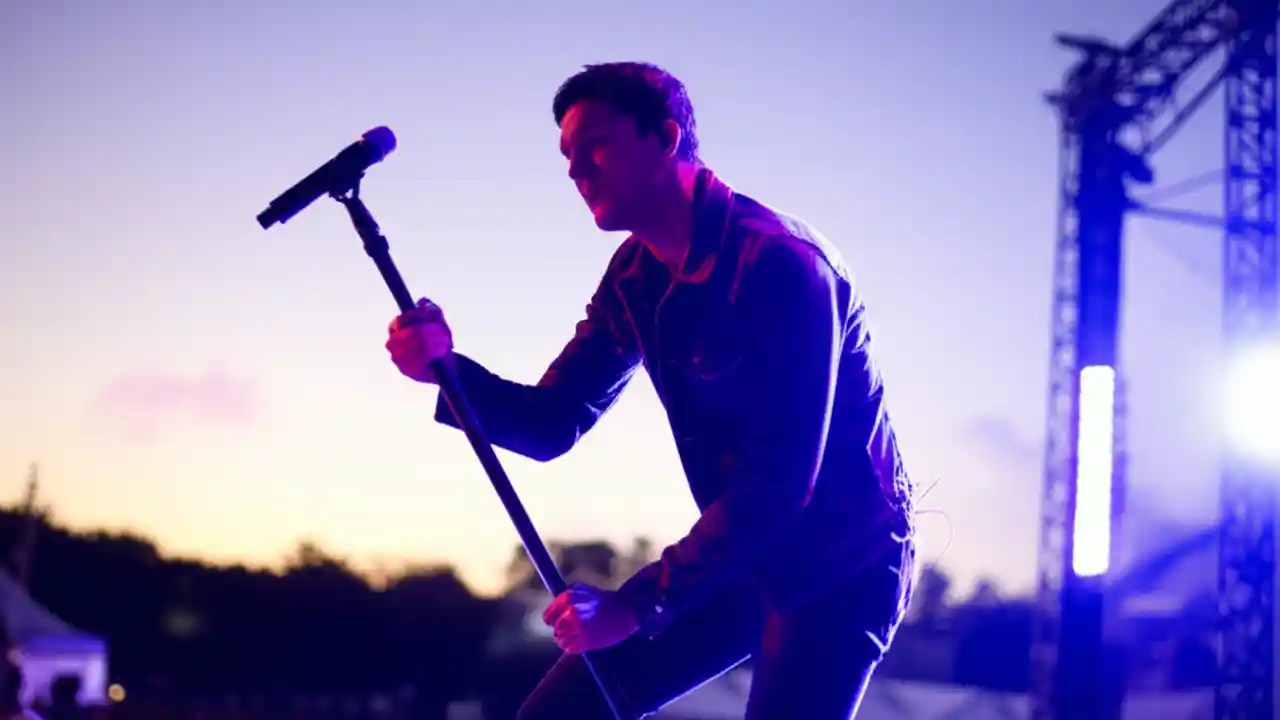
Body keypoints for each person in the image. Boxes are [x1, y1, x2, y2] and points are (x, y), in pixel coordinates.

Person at [386, 61, 916, 719]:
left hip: (841, 562)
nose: (578, 173)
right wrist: (444, 367)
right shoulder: (635, 272)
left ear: (665, 138)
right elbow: (554, 421)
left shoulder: (781, 263)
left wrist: (636, 605)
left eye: (597, 148)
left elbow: (778, 485)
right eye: (568, 158)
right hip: (740, 554)